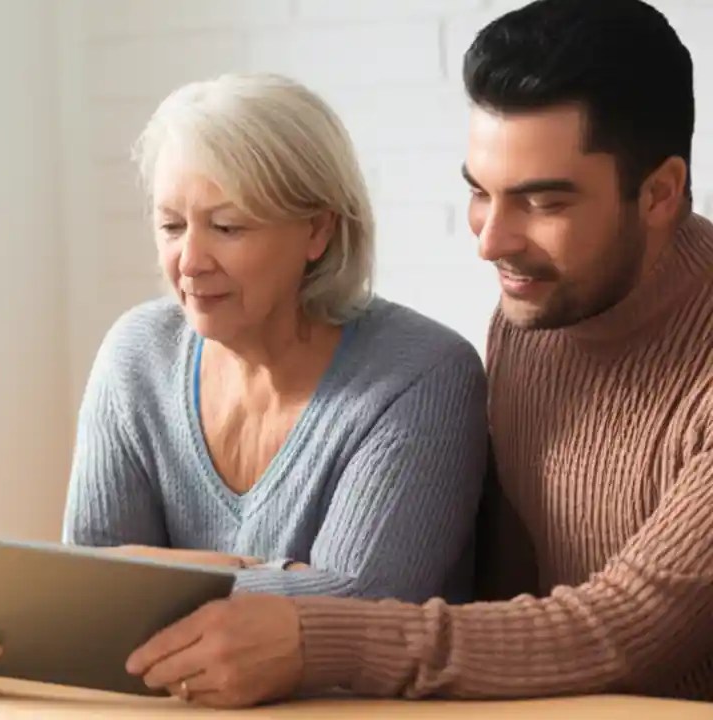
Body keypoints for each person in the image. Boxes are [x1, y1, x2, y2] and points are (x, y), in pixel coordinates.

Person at [123, 0, 713, 708]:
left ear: (660, 193)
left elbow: (619, 626)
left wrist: (318, 636)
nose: (491, 242)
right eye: (479, 193)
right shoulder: (537, 312)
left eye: (543, 203)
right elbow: (501, 579)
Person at [62, 73, 489, 603]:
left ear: (317, 231)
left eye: (227, 227)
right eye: (172, 227)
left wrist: (158, 572)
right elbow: (86, 588)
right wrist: (263, 571)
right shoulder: (136, 356)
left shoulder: (423, 374)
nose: (190, 263)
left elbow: (357, 607)